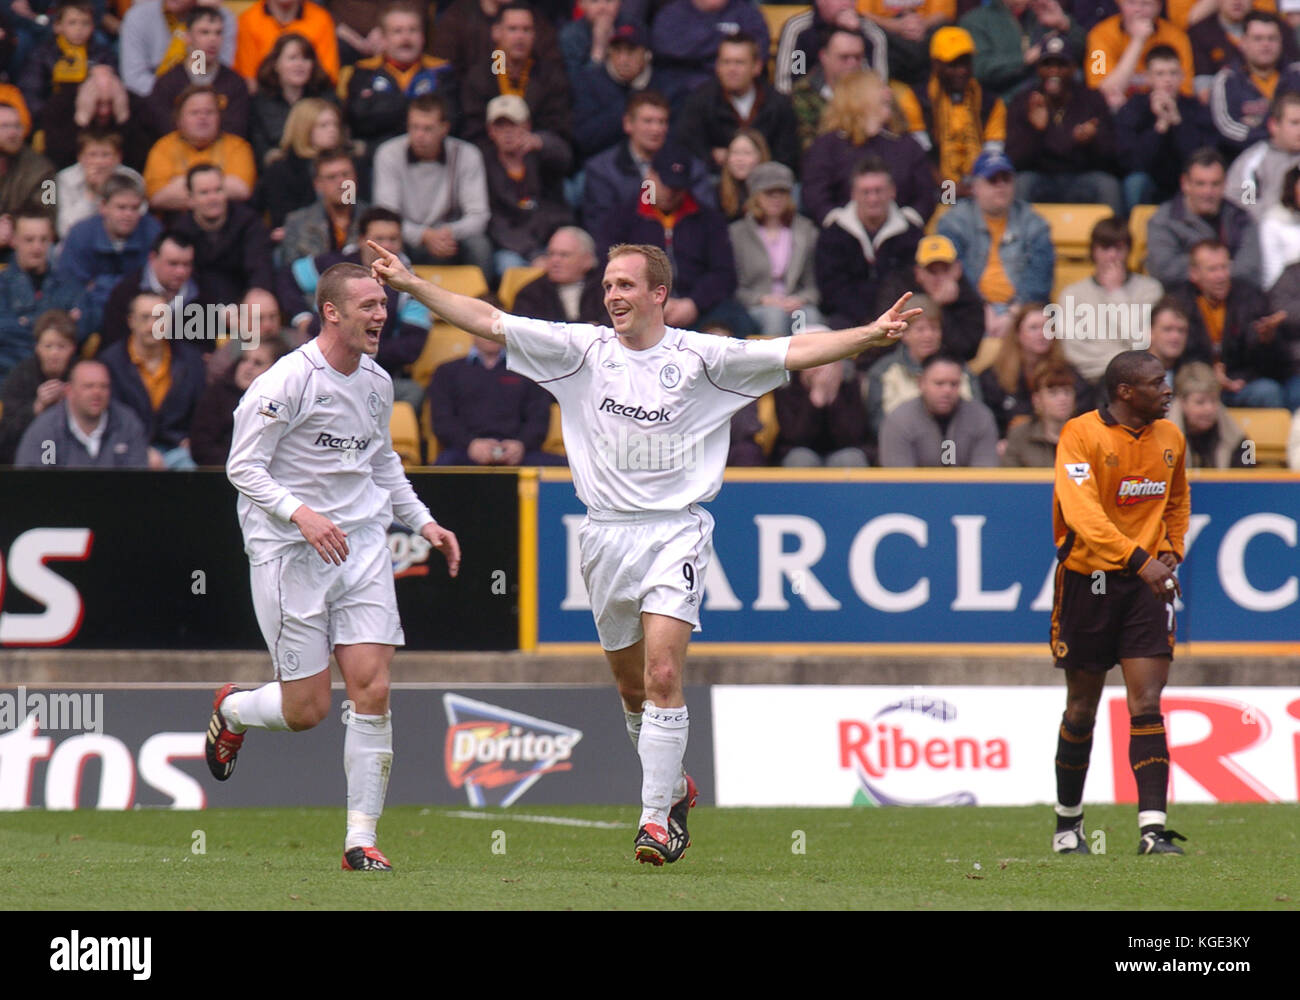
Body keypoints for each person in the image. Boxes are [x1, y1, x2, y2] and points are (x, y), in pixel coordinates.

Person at [366, 237, 922, 864]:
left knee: (663, 674)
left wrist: (868, 334)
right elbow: (490, 320)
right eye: (606, 287)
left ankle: (655, 821)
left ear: (659, 294)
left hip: (675, 530)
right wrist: (413, 287)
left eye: (625, 286)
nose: (612, 296)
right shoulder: (581, 352)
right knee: (632, 689)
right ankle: (673, 783)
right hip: (603, 536)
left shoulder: (703, 357)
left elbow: (791, 349)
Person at [207, 261, 461, 873]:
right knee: (307, 712)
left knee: (372, 687)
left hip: (364, 547)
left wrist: (422, 521)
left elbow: (383, 465)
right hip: (290, 553)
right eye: (370, 305)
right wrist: (302, 515)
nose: (382, 314)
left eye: (383, 304)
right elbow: (242, 468)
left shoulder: (376, 383)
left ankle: (360, 842)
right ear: (332, 312)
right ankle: (234, 709)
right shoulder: (284, 382)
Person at [1048, 349, 1189, 857]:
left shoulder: (1171, 437)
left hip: (1144, 587)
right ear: (1126, 392)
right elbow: (1082, 513)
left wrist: (1170, 549)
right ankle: (1068, 824)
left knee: (1147, 702)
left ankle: (1153, 831)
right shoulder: (1080, 435)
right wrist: (1138, 560)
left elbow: (1177, 499)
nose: (1167, 389)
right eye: (1158, 383)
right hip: (1091, 582)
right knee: (1082, 706)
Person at [598, 143, 756, 336]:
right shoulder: (622, 218)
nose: (672, 193)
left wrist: (694, 304)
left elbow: (723, 273)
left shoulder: (709, 220)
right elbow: (609, 269)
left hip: (698, 309)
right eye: (666, 184)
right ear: (650, 176)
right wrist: (651, 302)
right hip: (639, 304)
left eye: (678, 187)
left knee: (734, 322)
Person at [936, 149, 1054, 338]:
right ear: (975, 187)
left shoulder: (1034, 223)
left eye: (1006, 179)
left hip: (1021, 312)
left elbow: (1039, 278)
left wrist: (1013, 314)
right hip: (970, 308)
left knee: (1037, 324)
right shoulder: (953, 222)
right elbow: (953, 272)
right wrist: (981, 308)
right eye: (992, 180)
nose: (1001, 186)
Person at [1169, 238, 1298, 407]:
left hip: (1243, 383)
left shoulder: (1250, 297)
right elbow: (1177, 355)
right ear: (1194, 274)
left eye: (1224, 267)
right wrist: (1208, 375)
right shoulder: (1178, 303)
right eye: (1212, 269)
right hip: (1196, 383)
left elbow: (1275, 364)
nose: (1221, 276)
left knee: (1268, 391)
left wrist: (1267, 340)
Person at [1005, 34, 1124, 215]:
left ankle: (1113, 241)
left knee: (1108, 186)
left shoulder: (1092, 99)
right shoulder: (1023, 101)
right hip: (1041, 178)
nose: (1054, 71)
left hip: (1081, 178)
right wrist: (1036, 132)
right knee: (1021, 184)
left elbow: (1112, 158)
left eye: (1061, 65)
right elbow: (1013, 160)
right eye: (1047, 65)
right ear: (1038, 69)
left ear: (1074, 68)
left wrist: (1092, 141)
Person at [372, 93, 492, 272]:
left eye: (428, 129)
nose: (419, 135)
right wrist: (423, 235)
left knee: (479, 246)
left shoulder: (467, 154)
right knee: (384, 240)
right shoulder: (389, 153)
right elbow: (386, 216)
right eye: (414, 127)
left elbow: (479, 215)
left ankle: (482, 298)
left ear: (444, 128)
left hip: (450, 238)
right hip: (407, 238)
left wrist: (448, 232)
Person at [800, 69, 937, 226]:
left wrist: (905, 222)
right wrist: (841, 224)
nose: (888, 92)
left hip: (901, 238)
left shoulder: (907, 145)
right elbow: (815, 196)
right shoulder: (826, 147)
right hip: (840, 239)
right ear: (857, 98)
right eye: (879, 87)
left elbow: (925, 195)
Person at [582, 91, 714, 241]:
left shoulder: (691, 168)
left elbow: (706, 221)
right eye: (648, 121)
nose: (656, 129)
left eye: (662, 122)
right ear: (628, 124)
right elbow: (601, 229)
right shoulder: (602, 170)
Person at [99, 289, 207, 468]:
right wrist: (138, 448)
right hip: (126, 449)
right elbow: (109, 415)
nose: (152, 325)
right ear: (131, 321)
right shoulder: (111, 363)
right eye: (145, 317)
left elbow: (203, 409)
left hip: (177, 449)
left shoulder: (191, 360)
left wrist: (193, 438)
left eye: (159, 318)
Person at [815, 155, 925, 329]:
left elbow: (913, 282)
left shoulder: (911, 231)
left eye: (878, 190)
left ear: (892, 191)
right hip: (847, 319)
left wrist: (886, 317)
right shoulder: (833, 232)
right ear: (853, 194)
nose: (872, 199)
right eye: (865, 192)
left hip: (899, 317)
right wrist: (867, 321)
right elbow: (831, 288)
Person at [428, 330, 565, 466]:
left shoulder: (529, 371)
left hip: (520, 453)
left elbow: (539, 419)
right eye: (486, 328)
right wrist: (470, 444)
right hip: (463, 451)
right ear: (471, 330)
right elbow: (442, 421)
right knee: (441, 469)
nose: (491, 334)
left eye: (498, 329)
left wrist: (521, 444)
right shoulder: (446, 372)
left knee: (564, 470)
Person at [344, 0, 455, 165]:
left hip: (433, 161)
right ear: (383, 38)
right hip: (374, 161)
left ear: (423, 36)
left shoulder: (442, 71)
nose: (406, 38)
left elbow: (452, 119)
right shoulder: (363, 72)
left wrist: (385, 107)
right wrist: (417, 107)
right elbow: (360, 121)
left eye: (413, 30)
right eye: (397, 31)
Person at [457, 3, 573, 158]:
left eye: (526, 30)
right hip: (490, 163)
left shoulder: (550, 76)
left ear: (534, 35)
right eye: (512, 29)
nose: (520, 37)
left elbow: (560, 130)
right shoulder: (479, 77)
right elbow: (471, 131)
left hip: (536, 163)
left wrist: (537, 141)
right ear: (496, 32)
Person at [1058, 216, 1165, 384]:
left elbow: (1142, 342)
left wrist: (1116, 293)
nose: (1112, 256)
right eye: (1105, 248)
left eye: (1119, 248)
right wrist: (1118, 366)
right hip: (1088, 381)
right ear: (1093, 251)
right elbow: (1073, 351)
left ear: (1129, 251)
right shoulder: (1072, 294)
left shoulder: (1150, 290)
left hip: (1135, 381)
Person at [674, 32, 800, 174]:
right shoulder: (700, 102)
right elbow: (689, 149)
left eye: (739, 63)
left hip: (766, 183)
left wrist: (753, 160)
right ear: (717, 67)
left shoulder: (778, 104)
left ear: (757, 66)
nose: (731, 69)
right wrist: (712, 157)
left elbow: (787, 156)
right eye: (726, 62)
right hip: (715, 181)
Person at [1115, 43, 1219, 209]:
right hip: (1149, 182)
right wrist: (1161, 125)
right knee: (1135, 182)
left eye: (1173, 73)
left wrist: (1177, 122)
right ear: (1148, 77)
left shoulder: (1197, 107)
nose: (1168, 79)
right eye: (1160, 74)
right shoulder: (1133, 107)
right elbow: (1134, 163)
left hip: (1186, 182)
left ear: (1182, 76)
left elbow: (1201, 158)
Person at [53, 172, 161, 329]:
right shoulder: (80, 234)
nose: (128, 214)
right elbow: (70, 286)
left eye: (134, 208)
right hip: (90, 315)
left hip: (140, 317)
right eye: (121, 207)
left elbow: (153, 285)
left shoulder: (153, 232)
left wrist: (99, 285)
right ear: (103, 206)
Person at [482, 94, 573, 278]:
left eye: (513, 125)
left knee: (570, 257)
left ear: (527, 126)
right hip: (513, 246)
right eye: (500, 126)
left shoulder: (542, 155)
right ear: (490, 131)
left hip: (550, 237)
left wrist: (542, 143)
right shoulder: (484, 165)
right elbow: (496, 223)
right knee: (509, 266)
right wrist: (534, 255)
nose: (507, 132)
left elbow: (566, 159)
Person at [729, 161, 823, 337]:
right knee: (775, 317)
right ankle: (775, 365)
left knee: (808, 317)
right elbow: (734, 288)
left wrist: (800, 299)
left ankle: (808, 364)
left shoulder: (806, 231)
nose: (776, 198)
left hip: (794, 304)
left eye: (782, 192)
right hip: (757, 305)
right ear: (756, 196)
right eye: (769, 193)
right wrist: (763, 299)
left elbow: (812, 287)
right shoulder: (737, 234)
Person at [1146, 147, 1262, 287]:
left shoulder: (1240, 218)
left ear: (1225, 184)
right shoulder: (1164, 220)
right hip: (1184, 298)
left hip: (1234, 297)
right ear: (1185, 184)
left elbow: (1250, 268)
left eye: (1215, 184)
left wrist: (1200, 269)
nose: (1208, 192)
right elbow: (1165, 270)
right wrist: (1220, 268)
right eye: (1200, 184)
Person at [13, 357, 151, 468]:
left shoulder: (127, 424)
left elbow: (137, 479)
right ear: (69, 391)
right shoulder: (47, 432)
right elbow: (33, 481)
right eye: (88, 386)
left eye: (103, 386)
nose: (97, 393)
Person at [143, 3, 250, 146]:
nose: (213, 39)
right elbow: (162, 129)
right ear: (187, 37)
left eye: (218, 33)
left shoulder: (235, 83)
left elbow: (237, 131)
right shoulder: (168, 83)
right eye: (204, 32)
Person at [980, 301, 1091, 435]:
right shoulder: (994, 375)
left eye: (1047, 327)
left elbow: (1084, 411)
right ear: (1017, 334)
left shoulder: (1067, 373)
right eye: (1033, 328)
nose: (1042, 334)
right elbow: (989, 419)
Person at [173, 164, 275, 309]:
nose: (213, 198)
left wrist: (254, 298)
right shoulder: (180, 231)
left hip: (244, 307)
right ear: (190, 198)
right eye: (204, 193)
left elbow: (260, 269)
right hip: (196, 310)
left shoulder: (249, 222)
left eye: (218, 190)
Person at [0, 213, 89, 380]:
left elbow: (81, 331)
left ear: (52, 241)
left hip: (61, 380)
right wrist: (58, 325)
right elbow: (4, 333)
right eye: (29, 240)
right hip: (8, 378)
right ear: (14, 241)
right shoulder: (2, 285)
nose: (37, 247)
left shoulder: (69, 284)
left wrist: (25, 321)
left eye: (43, 239)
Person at [142, 84, 256, 213]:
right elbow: (157, 198)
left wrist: (181, 183)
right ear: (179, 119)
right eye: (194, 112)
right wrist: (219, 187)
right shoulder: (163, 147)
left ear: (219, 117)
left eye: (209, 112)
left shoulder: (238, 147)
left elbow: (242, 190)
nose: (202, 117)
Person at [872, 234, 986, 363]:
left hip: (949, 367)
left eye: (945, 270)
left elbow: (968, 350)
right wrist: (933, 304)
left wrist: (942, 310)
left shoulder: (968, 298)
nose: (940, 278)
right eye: (932, 271)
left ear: (957, 270)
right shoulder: (897, 290)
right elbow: (885, 342)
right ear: (918, 272)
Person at [878, 352, 1001, 466]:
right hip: (915, 489)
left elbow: (985, 477)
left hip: (969, 489)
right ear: (921, 383)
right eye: (939, 383)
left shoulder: (980, 418)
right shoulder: (899, 421)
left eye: (954, 384)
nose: (947, 391)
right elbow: (898, 480)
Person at [571, 23, 670, 162]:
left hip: (655, 163)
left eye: (631, 51)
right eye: (617, 50)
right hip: (600, 164)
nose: (623, 59)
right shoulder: (589, 82)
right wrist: (628, 103)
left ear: (647, 54)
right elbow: (582, 138)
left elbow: (673, 138)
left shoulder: (664, 85)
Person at [188, 334, 288, 465]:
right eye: (245, 360)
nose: (248, 367)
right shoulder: (217, 392)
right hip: (219, 471)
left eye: (258, 363)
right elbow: (201, 445)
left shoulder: (285, 402)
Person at [1209, 11, 1300, 154]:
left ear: (1281, 41)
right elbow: (1226, 128)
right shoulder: (1227, 80)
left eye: (1272, 38)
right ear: (1243, 43)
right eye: (1258, 38)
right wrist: (1277, 136)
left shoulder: (1297, 74)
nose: (1266, 44)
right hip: (1244, 161)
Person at [253, 97, 344, 232]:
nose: (333, 131)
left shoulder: (347, 165)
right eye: (324, 125)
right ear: (304, 129)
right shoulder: (280, 171)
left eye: (335, 124)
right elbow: (281, 218)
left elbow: (352, 203)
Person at [247, 32, 338, 168]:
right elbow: (260, 149)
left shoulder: (327, 99)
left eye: (306, 58)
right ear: (276, 64)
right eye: (293, 58)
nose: (299, 64)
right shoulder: (260, 103)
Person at [1085, 0, 1196, 111]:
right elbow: (1101, 91)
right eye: (1131, 3)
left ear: (1159, 7)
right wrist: (1138, 41)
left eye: (1146, 4)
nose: (1138, 9)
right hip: (1118, 109)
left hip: (1163, 107)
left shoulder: (1177, 38)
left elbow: (1184, 89)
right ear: (1120, 4)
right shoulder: (1099, 35)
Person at [0, 309, 77, 464]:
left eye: (61, 346)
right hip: (26, 462)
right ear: (37, 347)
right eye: (48, 346)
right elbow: (5, 437)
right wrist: (36, 407)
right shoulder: (20, 378)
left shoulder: (82, 376)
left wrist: (74, 403)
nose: (54, 354)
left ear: (72, 349)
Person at [119, 0, 237, 98]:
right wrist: (178, 96)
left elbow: (222, 72)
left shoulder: (222, 17)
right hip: (154, 100)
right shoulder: (138, 16)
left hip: (207, 101)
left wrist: (206, 15)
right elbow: (134, 79)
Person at [774, 0, 889, 97]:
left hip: (857, 108)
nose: (846, 4)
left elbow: (879, 86)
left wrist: (855, 34)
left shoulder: (872, 35)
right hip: (809, 107)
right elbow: (785, 83)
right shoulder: (798, 30)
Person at [280, 147, 365, 266]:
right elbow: (290, 275)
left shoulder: (374, 218)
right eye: (331, 177)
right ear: (318, 184)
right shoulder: (296, 222)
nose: (341, 182)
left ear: (355, 177)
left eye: (345, 174)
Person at [790, 27, 871, 153]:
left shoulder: (876, 92)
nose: (852, 63)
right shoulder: (802, 93)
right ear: (824, 56)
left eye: (858, 57)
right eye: (844, 57)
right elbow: (806, 144)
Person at [1224, 90, 1300, 222]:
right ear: (1274, 125)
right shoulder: (1254, 162)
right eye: (1294, 123)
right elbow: (1246, 201)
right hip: (1267, 233)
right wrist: (1273, 219)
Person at [54, 131, 146, 239]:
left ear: (118, 157)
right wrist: (91, 193)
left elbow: (140, 218)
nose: (99, 162)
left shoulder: (132, 178)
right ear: (80, 157)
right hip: (80, 241)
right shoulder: (65, 179)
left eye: (105, 155)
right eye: (92, 155)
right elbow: (64, 230)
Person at [511, 226, 608, 324]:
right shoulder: (530, 293)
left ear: (587, 260)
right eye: (551, 254)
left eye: (564, 255)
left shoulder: (606, 288)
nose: (555, 261)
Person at [233, 0, 339, 85]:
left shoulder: (321, 20)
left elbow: (327, 78)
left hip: (309, 99)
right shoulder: (248, 21)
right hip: (265, 100)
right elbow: (248, 80)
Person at [1167, 359, 1249, 466]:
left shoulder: (1237, 440)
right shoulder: (1163, 440)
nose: (1209, 409)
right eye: (1200, 402)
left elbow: (1246, 479)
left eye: (1214, 400)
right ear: (1182, 403)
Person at [1001, 359, 1076, 465]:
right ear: (1037, 400)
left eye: (1067, 392)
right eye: (1053, 393)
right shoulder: (1019, 436)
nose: (1063, 399)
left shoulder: (1087, 436)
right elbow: (1009, 479)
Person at [716, 128, 769, 222]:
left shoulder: (770, 190)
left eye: (747, 153)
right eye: (735, 153)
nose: (739, 159)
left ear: (760, 156)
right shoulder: (717, 192)